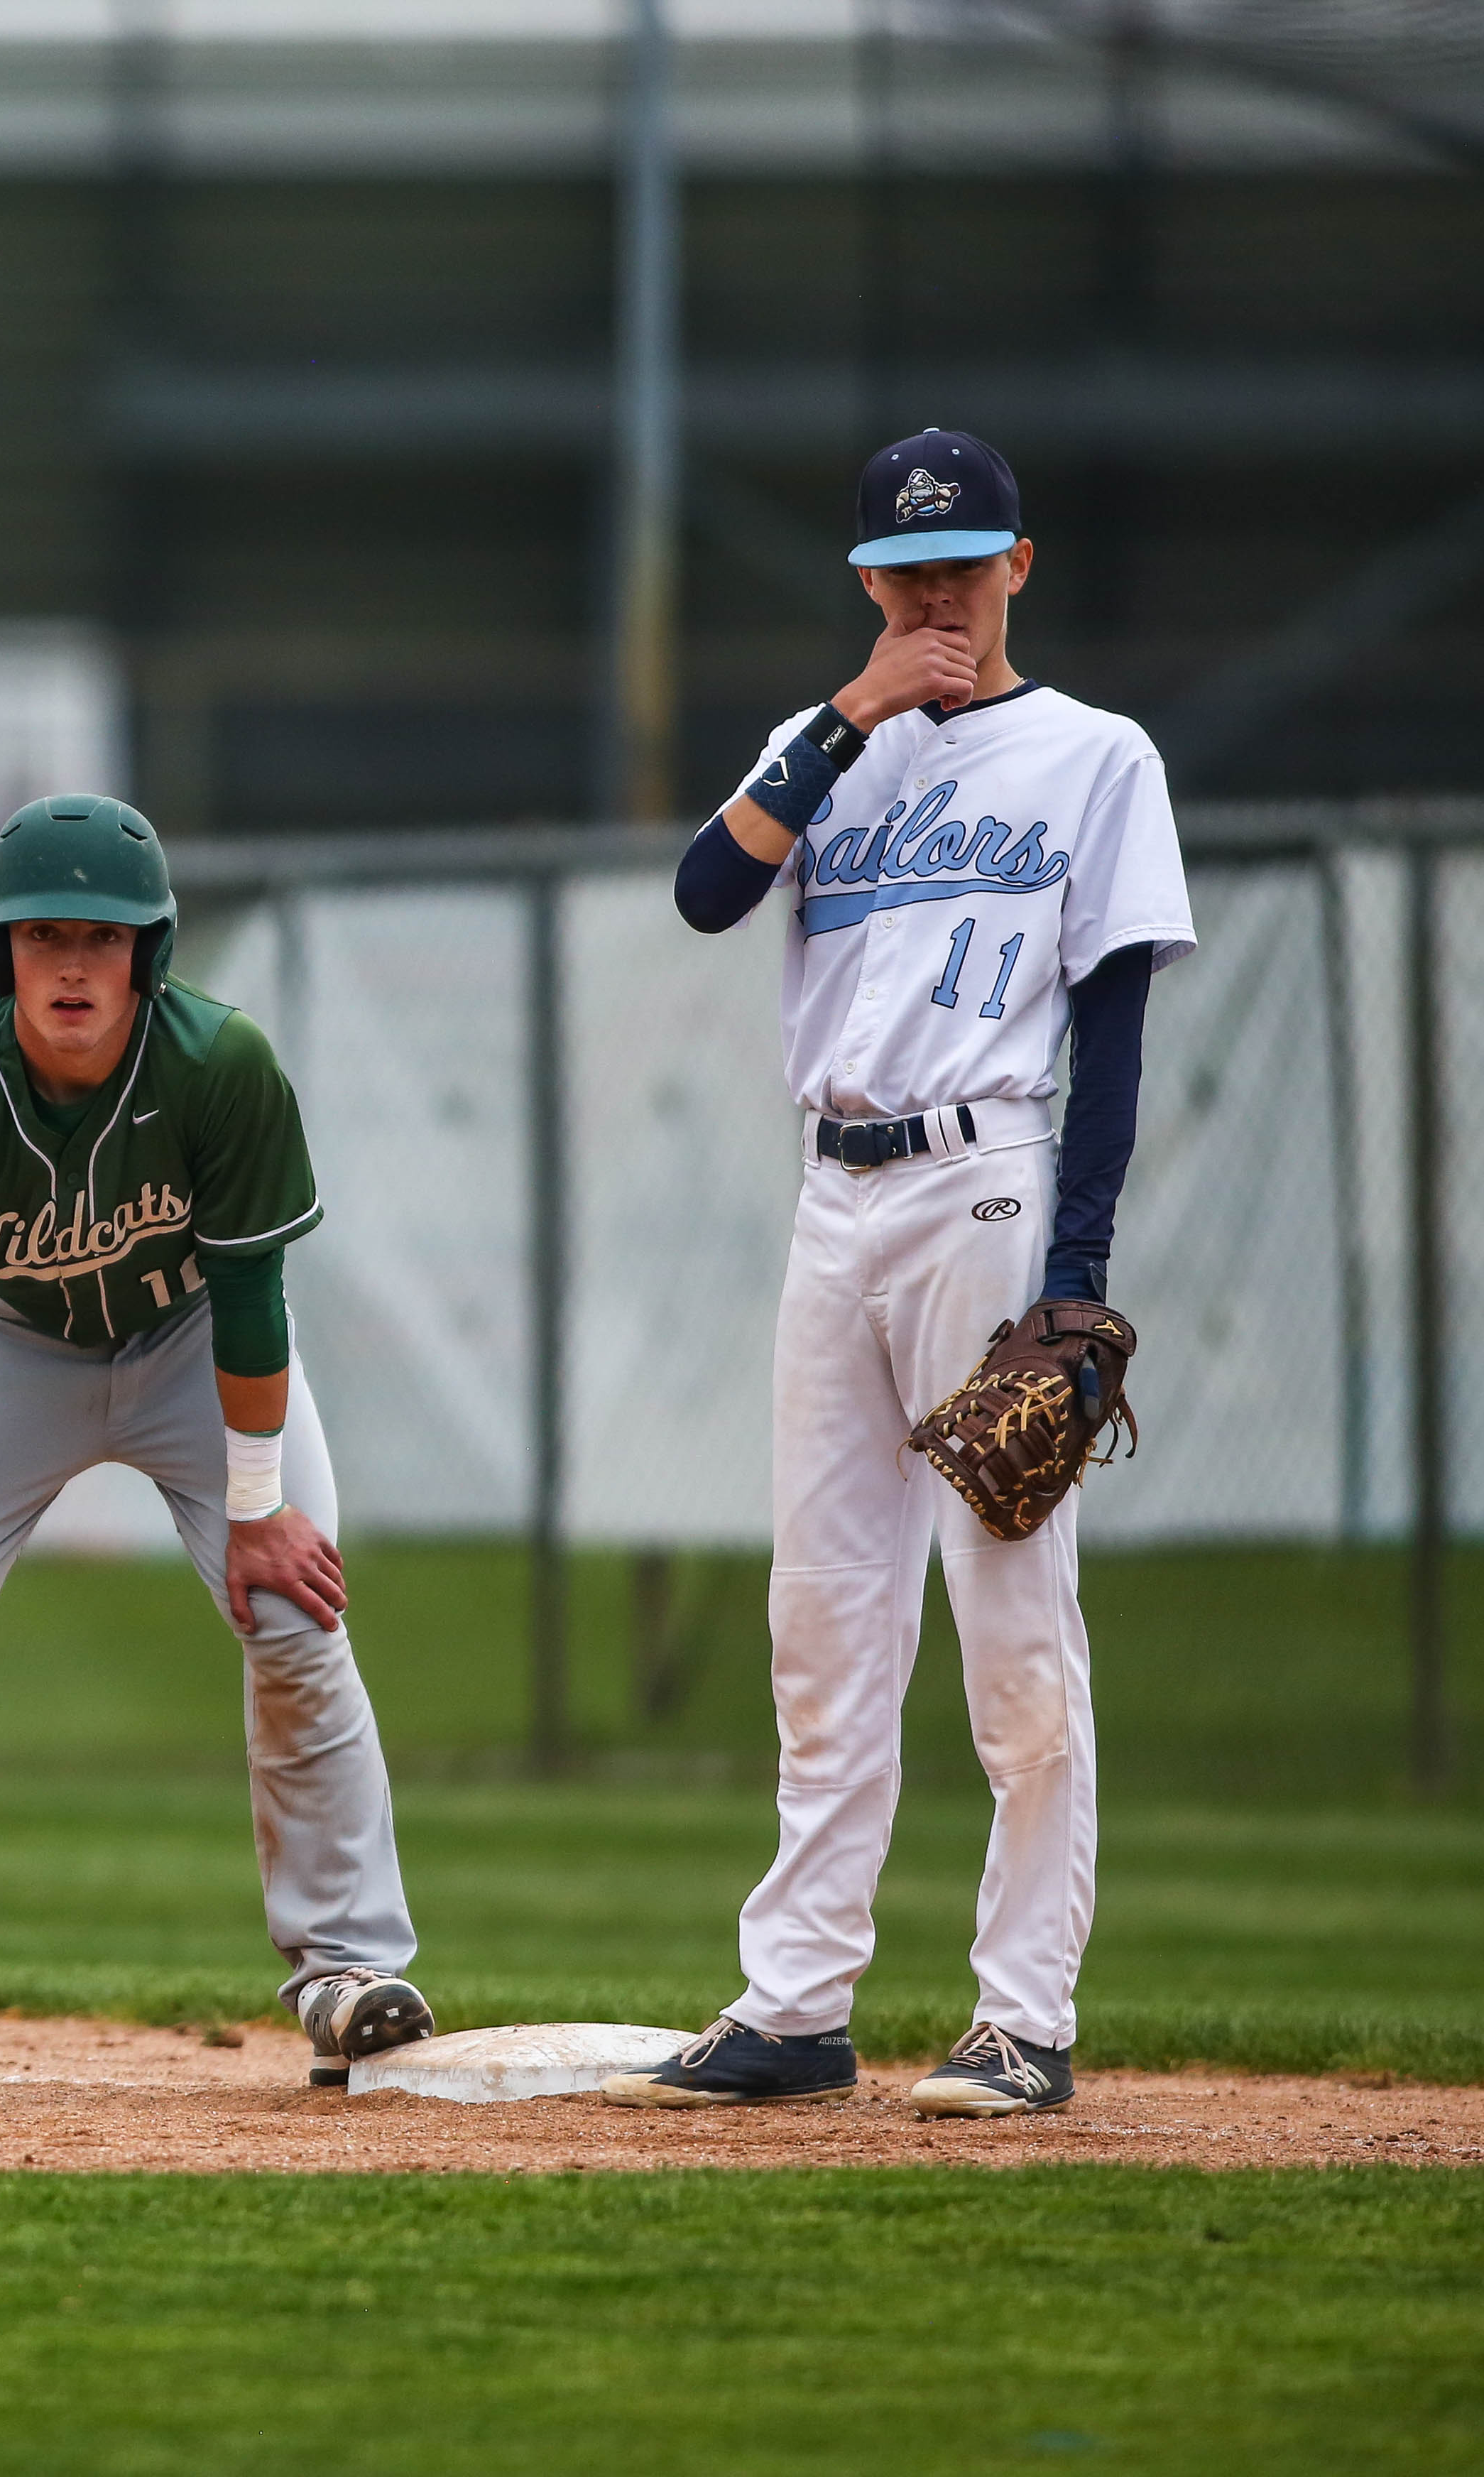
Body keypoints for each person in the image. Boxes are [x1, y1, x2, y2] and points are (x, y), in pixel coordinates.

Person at [606, 428, 1191, 2119]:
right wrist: (851, 713)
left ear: (1021, 564)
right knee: (824, 1613)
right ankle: (795, 2003)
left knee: (1008, 1612)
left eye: (968, 560)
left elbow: (1114, 1030)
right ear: (867, 584)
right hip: (833, 1196)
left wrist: (1071, 1279)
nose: (939, 593)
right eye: (908, 569)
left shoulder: (1095, 757)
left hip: (983, 1187)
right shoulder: (824, 750)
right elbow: (708, 889)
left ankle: (1023, 2014)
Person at [0, 794, 431, 2123]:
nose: (69, 965)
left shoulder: (219, 1064)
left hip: (188, 1343)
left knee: (293, 1607)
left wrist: (255, 1508)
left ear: (146, 955)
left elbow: (250, 1296)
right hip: (5, 1351)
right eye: (41, 935)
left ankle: (346, 1978)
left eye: (101, 939)